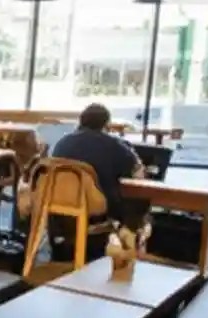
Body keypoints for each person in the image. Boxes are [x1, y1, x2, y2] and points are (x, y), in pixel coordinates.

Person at [48, 104, 143, 262]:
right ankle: (129, 245)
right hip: (96, 208)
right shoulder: (114, 145)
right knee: (137, 199)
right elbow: (137, 172)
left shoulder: (61, 143)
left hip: (59, 207)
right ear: (106, 124)